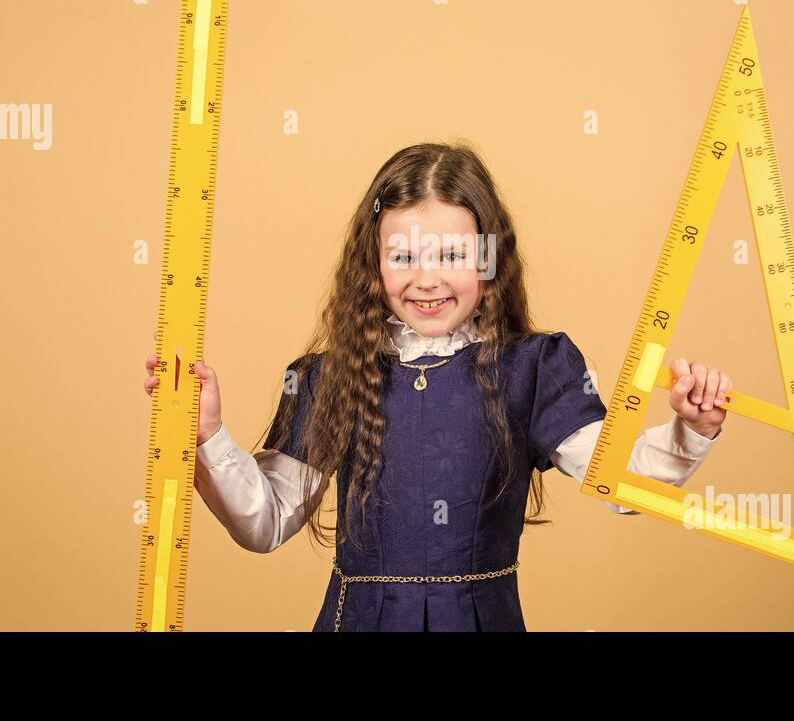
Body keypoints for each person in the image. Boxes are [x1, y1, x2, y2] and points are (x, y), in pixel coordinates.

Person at [142, 141, 734, 631]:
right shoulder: (327, 376)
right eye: (403, 256)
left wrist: (691, 428)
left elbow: (622, 484)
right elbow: (263, 522)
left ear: (488, 260)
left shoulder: (534, 366)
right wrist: (208, 437)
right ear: (372, 264)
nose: (427, 279)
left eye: (451, 254)